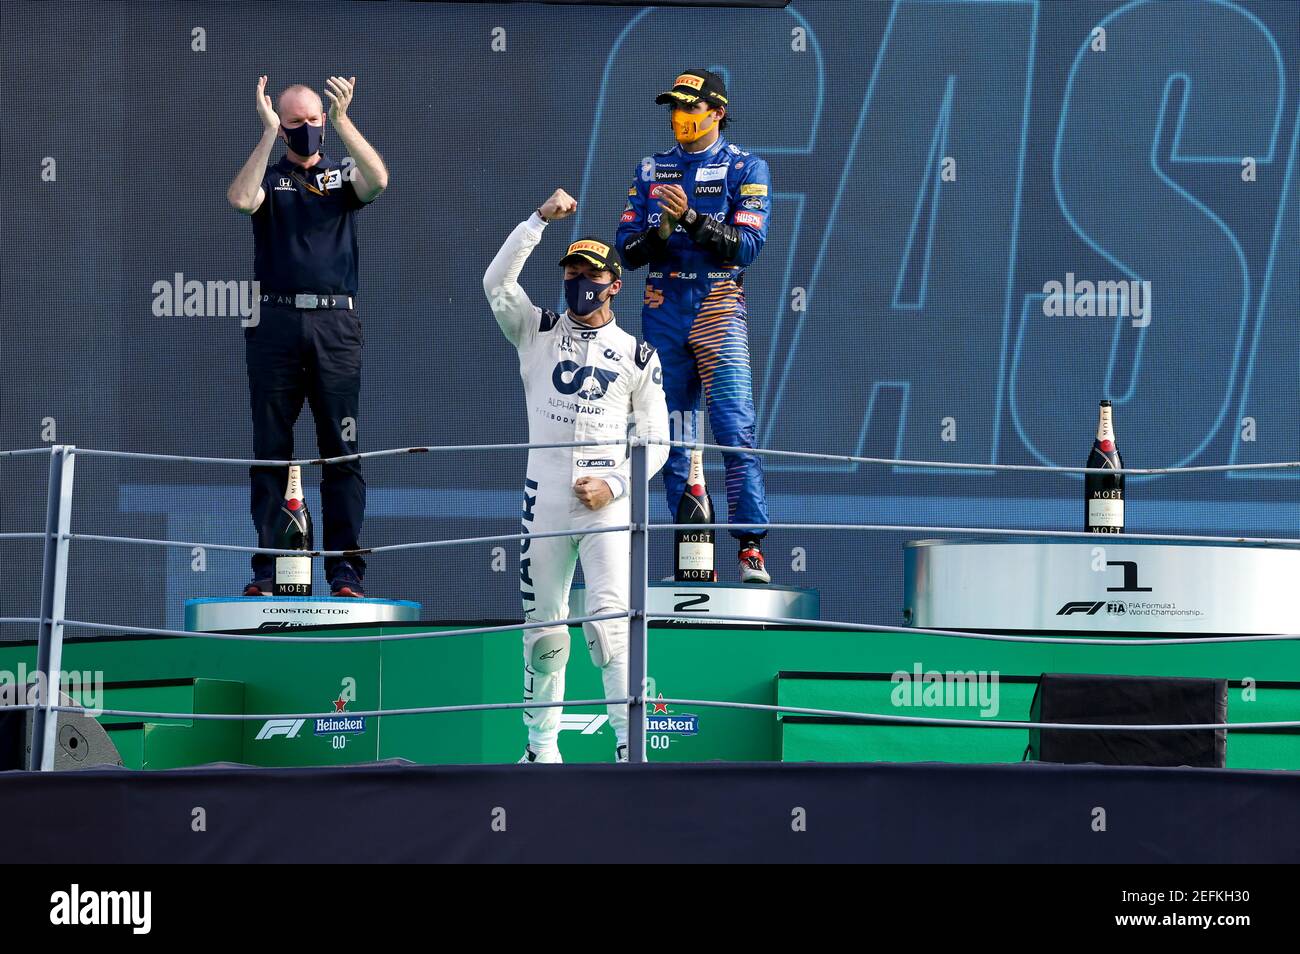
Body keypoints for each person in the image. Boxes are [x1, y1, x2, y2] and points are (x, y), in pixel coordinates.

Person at [484, 188, 670, 764]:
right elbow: (497, 283)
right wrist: (537, 218)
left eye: (589, 273)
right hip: (542, 505)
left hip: (605, 510)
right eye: (570, 271)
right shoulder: (535, 331)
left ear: (615, 284)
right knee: (543, 636)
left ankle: (627, 750)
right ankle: (541, 751)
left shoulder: (638, 356)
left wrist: (614, 485)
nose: (577, 281)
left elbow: (659, 443)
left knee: (610, 627)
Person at [226, 76, 388, 597]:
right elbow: (239, 198)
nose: (306, 130)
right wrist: (269, 135)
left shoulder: (342, 176)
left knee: (341, 448)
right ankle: (268, 569)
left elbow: (378, 181)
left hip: (335, 325)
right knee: (272, 448)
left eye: (312, 120)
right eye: (294, 122)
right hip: (275, 323)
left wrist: (343, 123)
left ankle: (345, 571)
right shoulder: (271, 179)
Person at [616, 68, 774, 584]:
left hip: (717, 308)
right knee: (673, 435)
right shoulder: (651, 169)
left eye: (689, 107)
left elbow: (747, 246)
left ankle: (750, 545)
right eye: (673, 108)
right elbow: (628, 251)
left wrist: (690, 221)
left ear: (717, 111)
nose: (679, 117)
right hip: (663, 310)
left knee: (733, 428)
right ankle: (692, 554)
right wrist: (661, 229)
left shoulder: (746, 167)